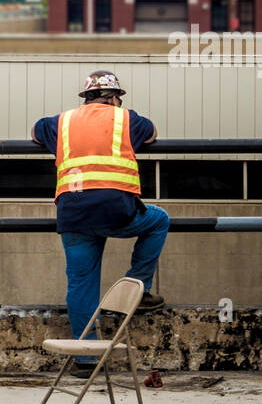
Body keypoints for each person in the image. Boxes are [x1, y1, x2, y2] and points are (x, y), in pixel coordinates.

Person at [31, 71, 169, 344]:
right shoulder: (126, 118)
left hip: (73, 212)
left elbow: (35, 132)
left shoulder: (62, 121)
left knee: (81, 282)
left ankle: (85, 356)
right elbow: (152, 134)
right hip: (116, 210)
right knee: (158, 221)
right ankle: (138, 289)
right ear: (115, 97)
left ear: (86, 98)